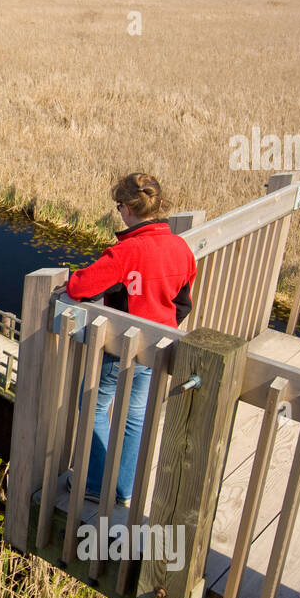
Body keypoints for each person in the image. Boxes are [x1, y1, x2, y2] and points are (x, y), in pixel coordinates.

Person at [56, 172, 195, 506]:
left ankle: (95, 483)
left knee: (92, 405)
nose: (118, 212)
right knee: (134, 415)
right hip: (156, 346)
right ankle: (123, 489)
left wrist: (68, 284)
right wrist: (161, 323)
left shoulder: (128, 250)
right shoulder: (181, 248)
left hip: (120, 346)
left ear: (129, 209)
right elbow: (183, 303)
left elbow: (81, 286)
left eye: (118, 205)